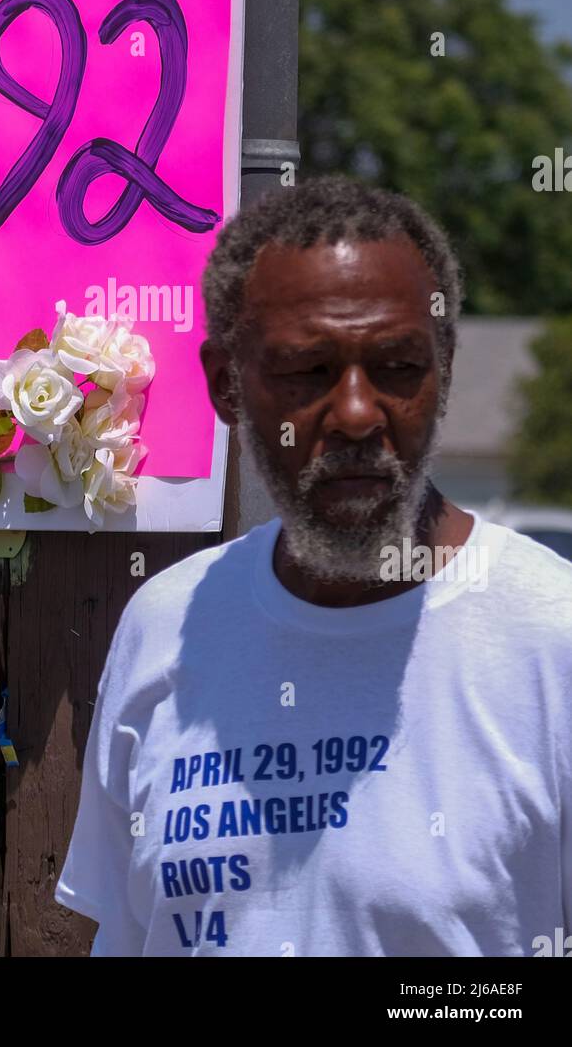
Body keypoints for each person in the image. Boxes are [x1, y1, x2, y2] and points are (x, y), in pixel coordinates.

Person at [54, 175, 572, 957]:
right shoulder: (168, 625)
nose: (359, 413)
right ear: (228, 385)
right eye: (307, 370)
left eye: (399, 367)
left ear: (445, 370)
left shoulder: (550, 637)